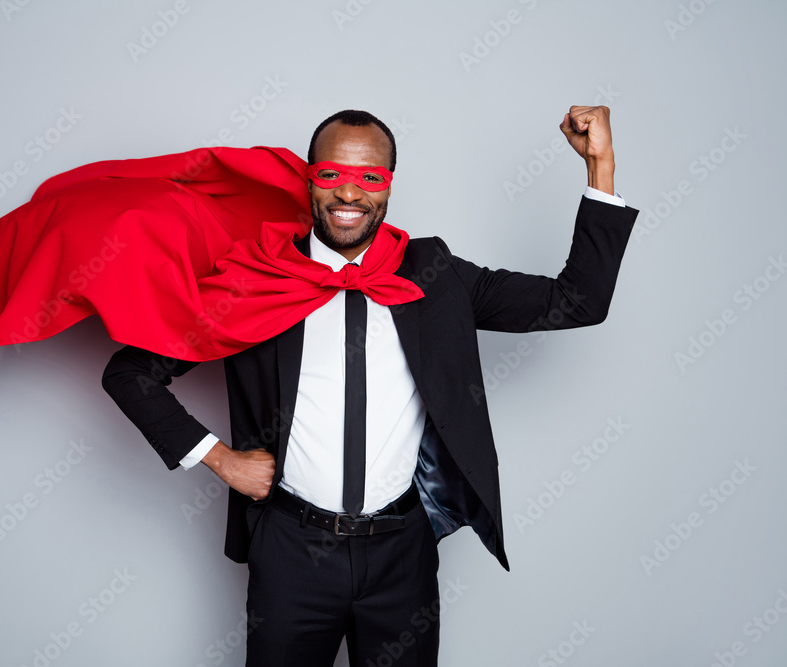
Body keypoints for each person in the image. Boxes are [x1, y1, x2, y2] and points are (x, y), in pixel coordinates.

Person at [102, 108, 637, 666]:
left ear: (388, 187)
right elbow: (130, 372)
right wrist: (219, 459)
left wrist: (601, 166)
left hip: (401, 553)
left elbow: (576, 301)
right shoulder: (259, 279)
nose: (349, 192)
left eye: (370, 177)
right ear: (311, 180)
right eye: (332, 175)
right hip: (291, 550)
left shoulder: (436, 275)